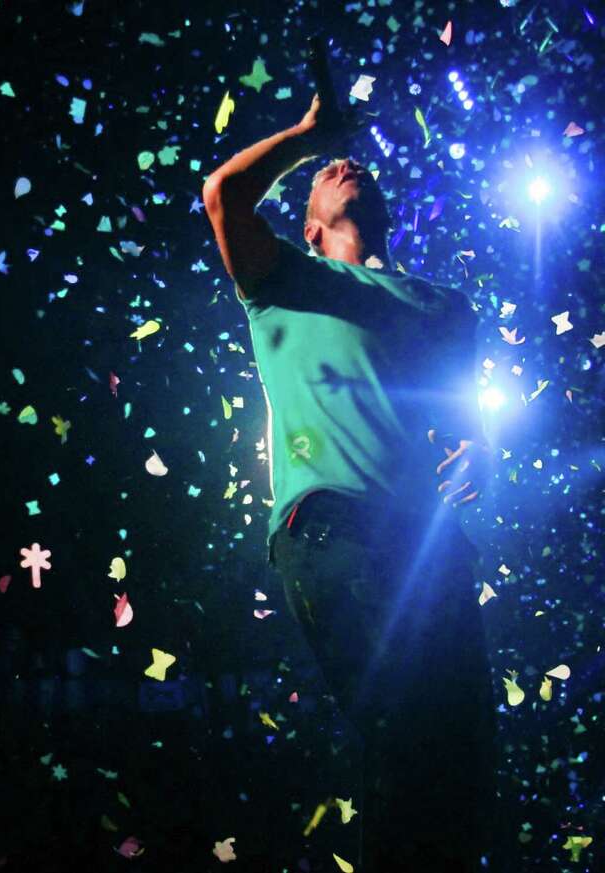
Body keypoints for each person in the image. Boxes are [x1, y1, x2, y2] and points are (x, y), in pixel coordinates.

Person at [203, 91, 498, 872]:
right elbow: (222, 196)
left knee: (462, 754)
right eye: (323, 175)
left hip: (430, 550)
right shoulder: (283, 278)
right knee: (404, 730)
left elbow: (464, 425)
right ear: (306, 225)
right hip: (331, 525)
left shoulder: (446, 307)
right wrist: (307, 136)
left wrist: (478, 453)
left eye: (348, 161)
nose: (344, 165)